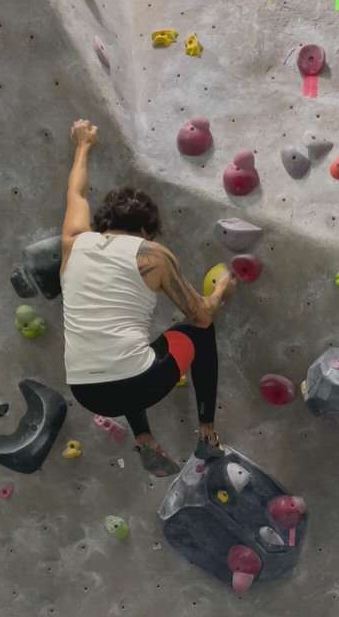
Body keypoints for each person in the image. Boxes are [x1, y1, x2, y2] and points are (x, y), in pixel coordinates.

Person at [60, 118, 236, 477]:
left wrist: (82, 145)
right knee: (199, 333)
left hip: (85, 390)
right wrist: (220, 290)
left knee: (123, 349)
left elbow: (76, 194)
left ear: (102, 223)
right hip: (138, 383)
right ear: (146, 231)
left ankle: (144, 439)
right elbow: (201, 315)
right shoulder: (152, 255)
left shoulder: (74, 240)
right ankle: (206, 433)